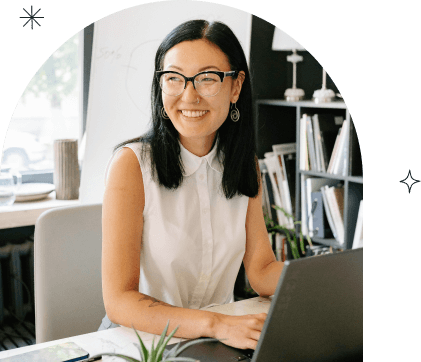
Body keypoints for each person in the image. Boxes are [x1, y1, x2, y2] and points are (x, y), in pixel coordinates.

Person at [99, 19, 284, 351]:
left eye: (208, 79)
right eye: (174, 78)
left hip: (214, 340)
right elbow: (119, 301)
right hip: (141, 342)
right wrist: (214, 325)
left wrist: (328, 280)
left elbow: (261, 269)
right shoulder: (131, 165)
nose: (189, 95)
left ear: (236, 86)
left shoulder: (243, 163)